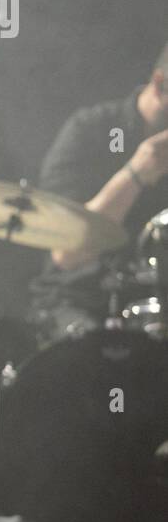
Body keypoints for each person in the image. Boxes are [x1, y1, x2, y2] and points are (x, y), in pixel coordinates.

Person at [28, 44, 168, 342]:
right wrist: (136, 173)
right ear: (160, 84)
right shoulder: (89, 131)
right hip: (79, 304)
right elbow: (68, 252)